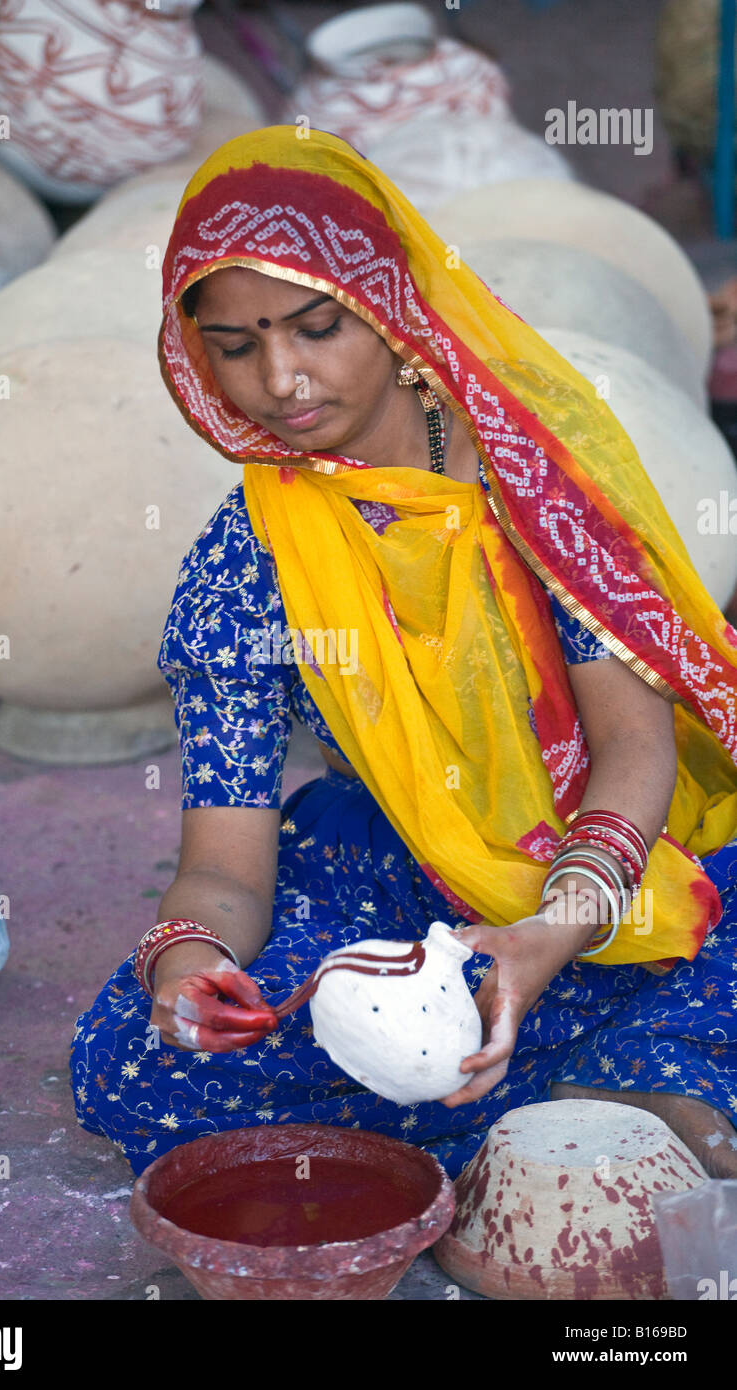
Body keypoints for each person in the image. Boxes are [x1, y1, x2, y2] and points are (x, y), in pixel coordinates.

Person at [70, 126, 737, 1182]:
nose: (282, 379)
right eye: (235, 346)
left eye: (315, 326)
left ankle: (563, 1070)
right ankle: (608, 1081)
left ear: (383, 299)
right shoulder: (249, 562)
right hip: (407, 890)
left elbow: (632, 749)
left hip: (619, 860)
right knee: (132, 1063)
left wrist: (546, 936)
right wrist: (190, 965)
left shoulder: (525, 472)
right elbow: (222, 867)